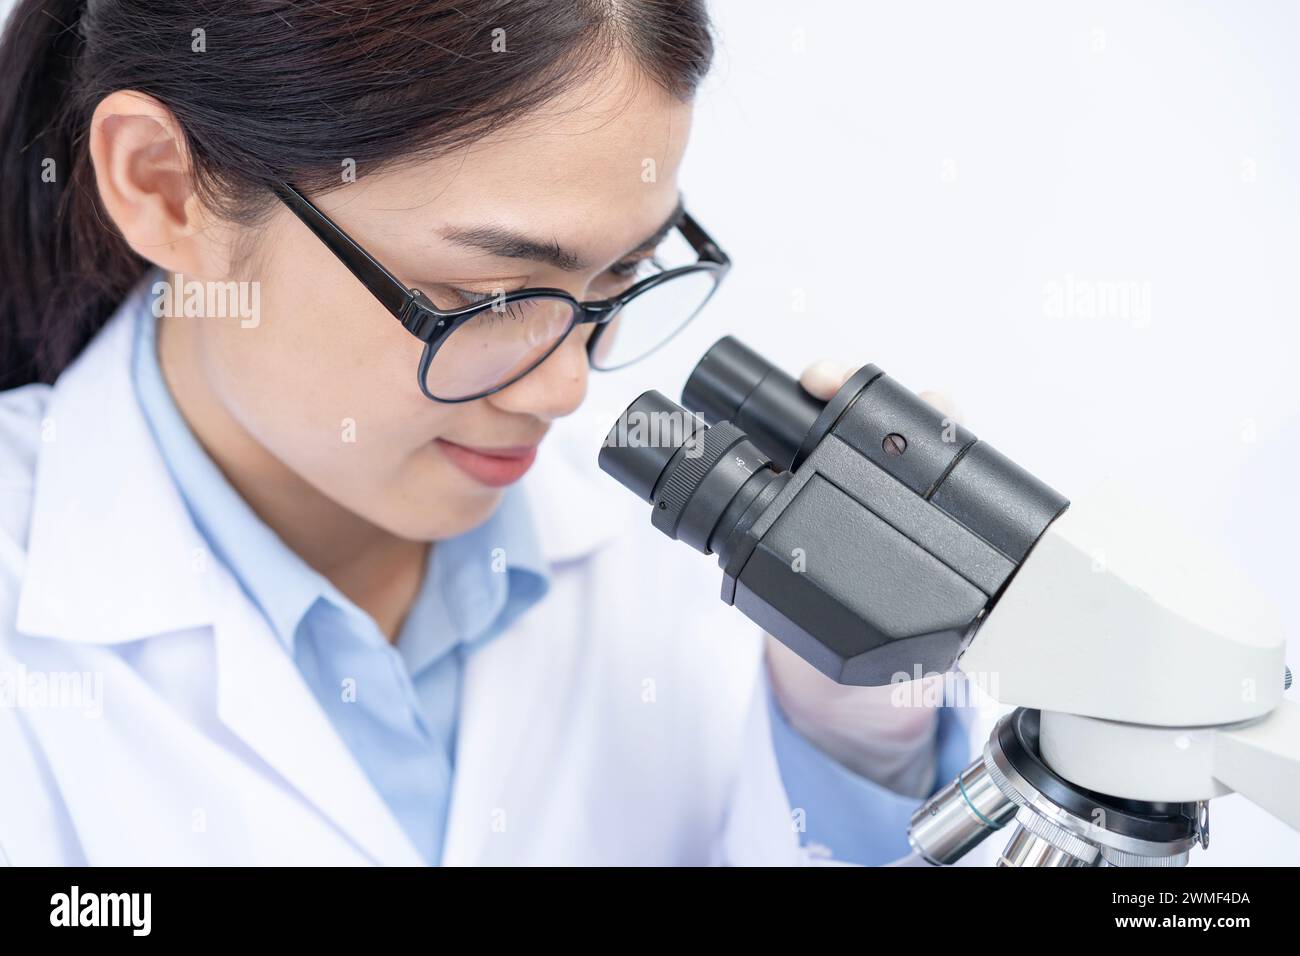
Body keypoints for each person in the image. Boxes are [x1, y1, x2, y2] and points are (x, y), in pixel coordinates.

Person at [0, 0, 971, 866]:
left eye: (620, 279)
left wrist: (851, 733)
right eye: (484, 298)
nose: (559, 387)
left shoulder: (665, 569)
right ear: (165, 185)